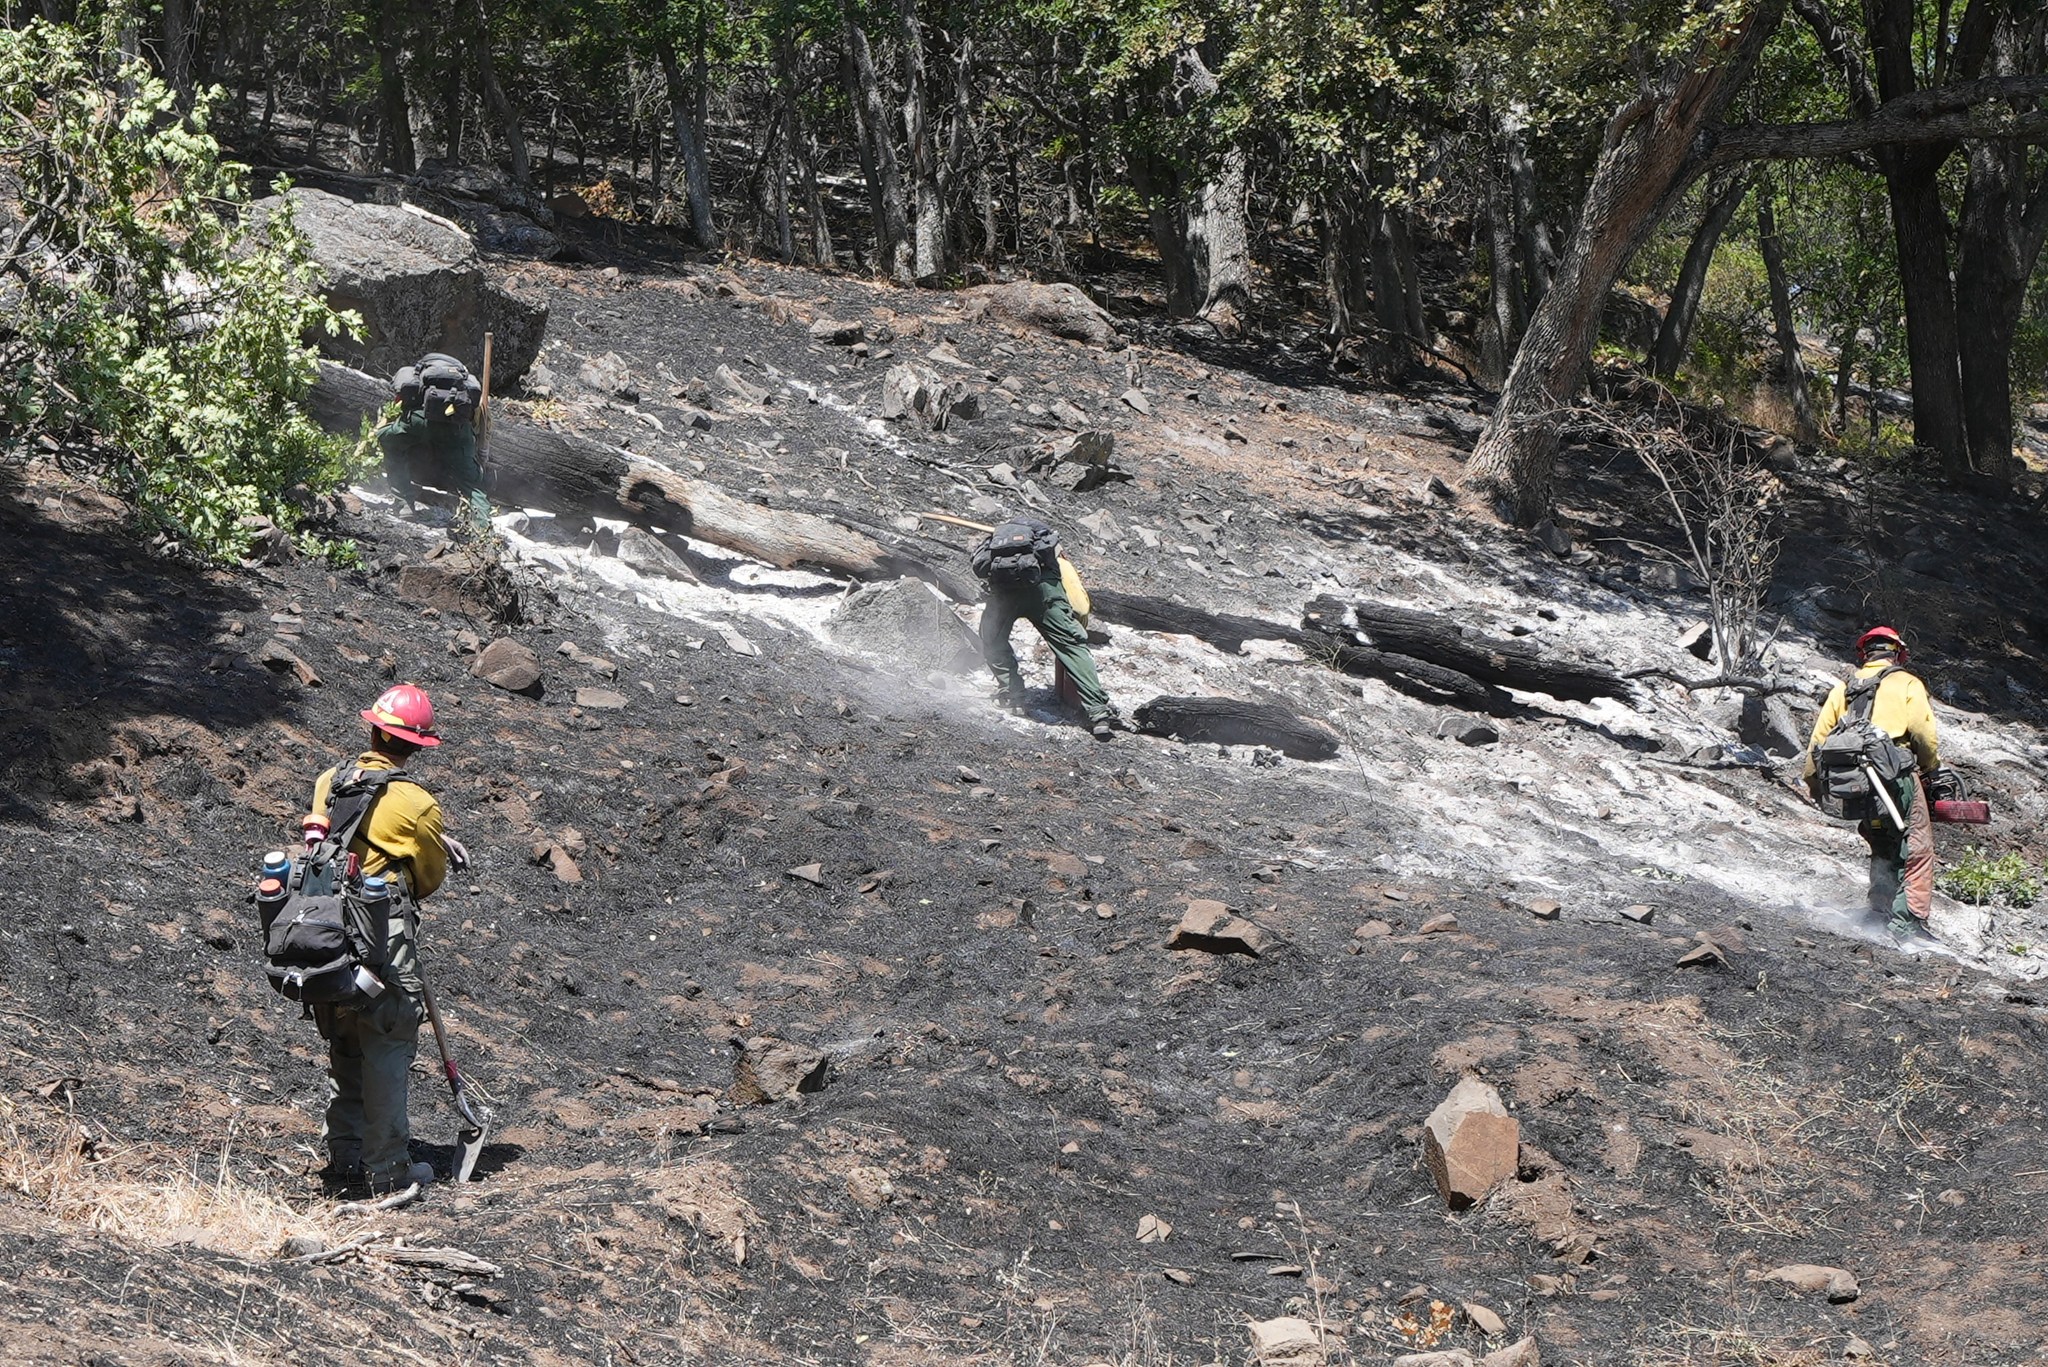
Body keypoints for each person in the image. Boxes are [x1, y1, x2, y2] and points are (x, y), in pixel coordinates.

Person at [308, 684, 460, 1194]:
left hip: (328, 930)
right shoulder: (418, 804)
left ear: (373, 729)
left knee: (345, 1041)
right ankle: (389, 1169)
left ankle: (346, 1157)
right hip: (383, 935)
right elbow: (427, 878)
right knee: (389, 1041)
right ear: (416, 747)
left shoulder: (330, 780)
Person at [1803, 626, 1957, 940]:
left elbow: (1818, 740)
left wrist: (1813, 782)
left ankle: (1879, 912)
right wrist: (1930, 769)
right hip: (1896, 776)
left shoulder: (1843, 688)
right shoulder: (1907, 683)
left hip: (1858, 783)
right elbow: (1923, 734)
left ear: (1864, 654)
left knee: (1881, 844)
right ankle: (1907, 924)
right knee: (1915, 848)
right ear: (1898, 654)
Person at [971, 516, 1116, 740]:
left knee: (992, 639)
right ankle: (1098, 713)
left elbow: (981, 567)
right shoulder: (1049, 546)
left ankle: (1013, 696)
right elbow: (1078, 599)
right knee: (1071, 647)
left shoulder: (998, 543)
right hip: (1045, 592)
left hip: (1005, 594)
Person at [377, 352, 490, 532]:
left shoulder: (413, 376)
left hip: (417, 422)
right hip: (456, 430)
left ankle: (404, 503)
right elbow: (478, 423)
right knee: (471, 482)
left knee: (389, 441)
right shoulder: (468, 385)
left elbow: (396, 406)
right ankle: (483, 528)